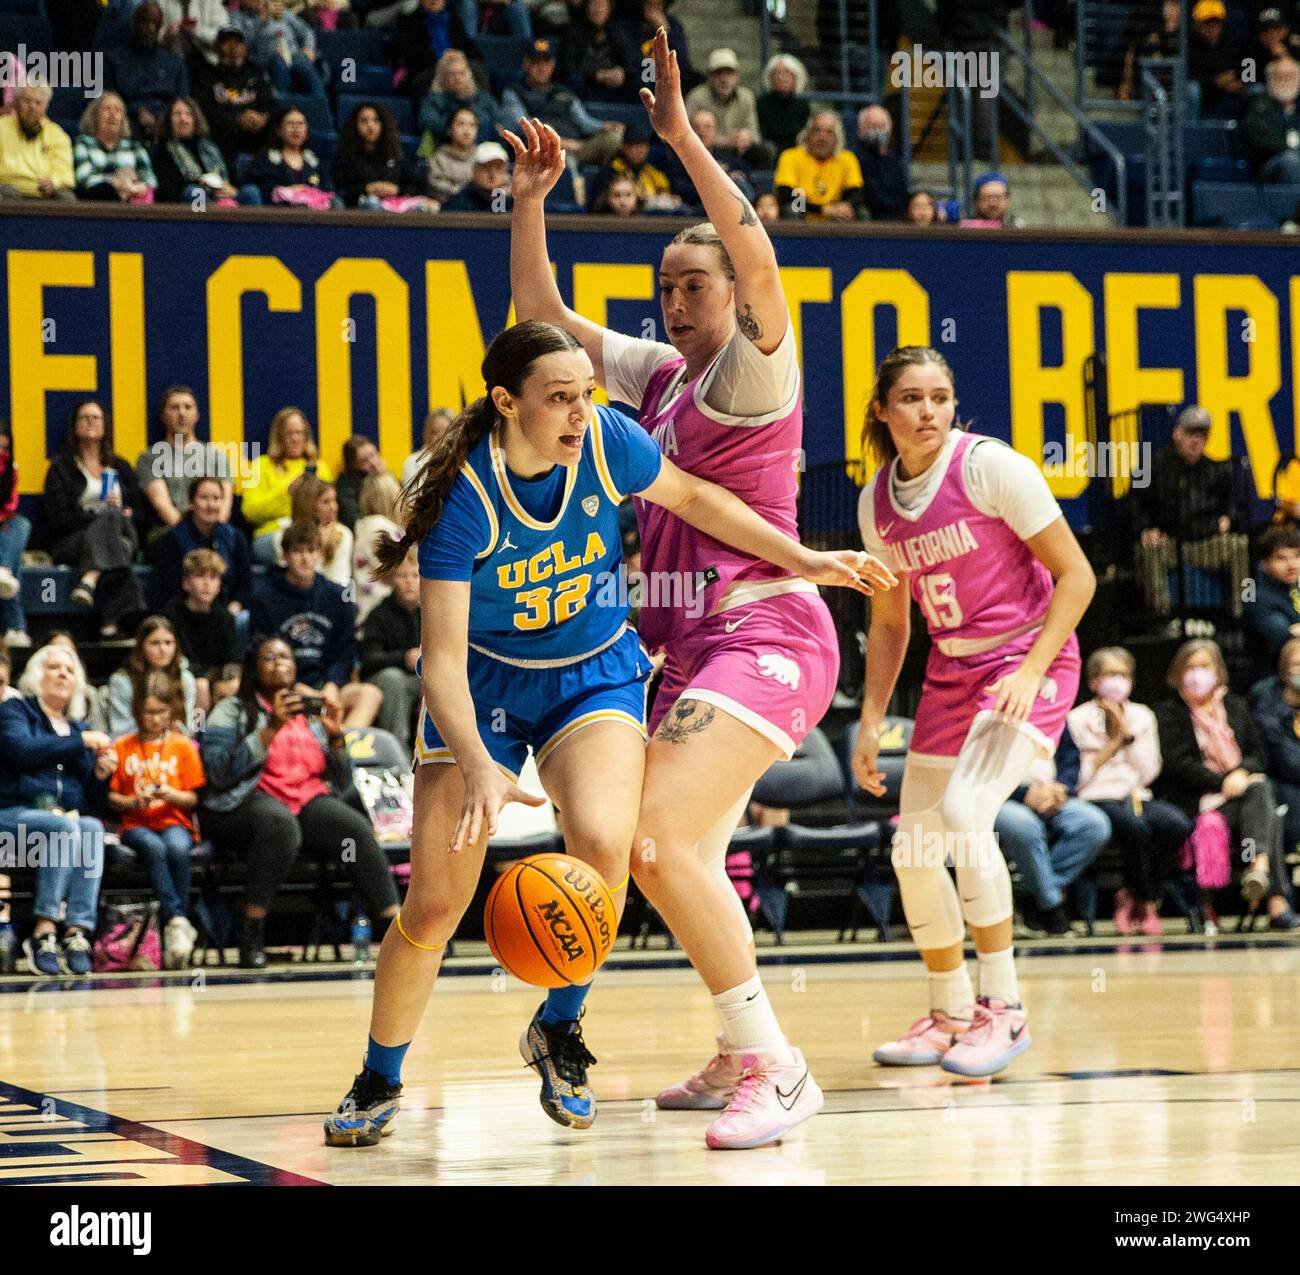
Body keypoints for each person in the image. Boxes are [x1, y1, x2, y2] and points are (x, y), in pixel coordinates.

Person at [321, 317, 876, 1148]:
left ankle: (557, 1028)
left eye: (587, 394)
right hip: (484, 690)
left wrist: (804, 558)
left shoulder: (608, 440)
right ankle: (379, 1072)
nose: (582, 412)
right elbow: (437, 664)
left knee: (611, 848)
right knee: (435, 901)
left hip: (593, 674)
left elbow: (696, 497)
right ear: (507, 403)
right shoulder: (462, 497)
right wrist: (477, 763)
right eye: (560, 399)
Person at [505, 33, 894, 1147]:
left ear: (732, 293)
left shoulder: (756, 367)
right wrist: (530, 202)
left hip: (766, 627)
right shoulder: (658, 375)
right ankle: (738, 1046)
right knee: (659, 852)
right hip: (688, 647)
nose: (677, 301)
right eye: (666, 287)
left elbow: (758, 255)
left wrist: (677, 134)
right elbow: (548, 328)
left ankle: (776, 1065)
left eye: (696, 283)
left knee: (658, 842)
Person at [853, 345, 1096, 1077]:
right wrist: (870, 718)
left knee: (964, 815)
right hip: (954, 670)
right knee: (914, 849)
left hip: (1032, 657)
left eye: (941, 396)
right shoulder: (875, 504)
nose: (929, 410)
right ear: (882, 410)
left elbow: (1076, 574)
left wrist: (1029, 668)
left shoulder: (992, 467)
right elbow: (893, 624)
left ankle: (1005, 1008)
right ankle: (950, 1010)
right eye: (912, 398)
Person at [201, 636, 401, 967]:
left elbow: (340, 782)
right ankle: (251, 930)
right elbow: (219, 772)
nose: (280, 663)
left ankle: (398, 931)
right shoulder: (231, 709)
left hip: (306, 797)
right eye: (270, 658)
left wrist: (337, 738)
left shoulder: (309, 712)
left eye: (286, 657)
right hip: (248, 800)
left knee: (354, 829)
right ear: (253, 668)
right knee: (279, 826)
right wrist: (271, 728)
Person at [1155, 639, 1299, 931]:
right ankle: (1274, 898)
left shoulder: (1236, 706)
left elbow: (1259, 753)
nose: (1197, 674)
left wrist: (1243, 771)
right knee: (1263, 803)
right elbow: (1176, 763)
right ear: (1177, 672)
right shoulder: (1169, 712)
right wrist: (1224, 781)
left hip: (1240, 799)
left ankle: (1260, 871)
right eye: (1190, 667)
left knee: (1260, 789)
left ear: (1218, 671)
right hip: (1198, 800)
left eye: (1204, 666)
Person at [0, 643, 116, 976]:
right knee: (64, 828)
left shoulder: (79, 728)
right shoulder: (16, 710)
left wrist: (100, 775)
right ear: (37, 677)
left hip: (59, 824)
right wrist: (82, 744)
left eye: (69, 670)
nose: (63, 674)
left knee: (92, 827)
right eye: (54, 667)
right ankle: (44, 930)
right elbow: (21, 751)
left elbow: (90, 798)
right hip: (12, 817)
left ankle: (77, 931)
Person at [1062, 646, 1191, 935]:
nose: (1117, 681)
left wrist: (1127, 735)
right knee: (1134, 828)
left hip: (1136, 795)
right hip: (1096, 797)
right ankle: (1147, 902)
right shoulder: (1077, 719)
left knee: (1175, 824)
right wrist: (1112, 742)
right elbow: (1078, 778)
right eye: (1110, 674)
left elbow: (1149, 772)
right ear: (1094, 681)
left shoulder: (1143, 716)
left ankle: (1133, 895)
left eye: (1123, 674)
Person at [107, 670, 205, 968]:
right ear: (137, 711)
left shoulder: (182, 746)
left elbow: (193, 798)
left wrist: (171, 795)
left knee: (177, 848)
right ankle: (177, 918)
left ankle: (176, 923)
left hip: (175, 820)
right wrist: (133, 801)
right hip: (136, 824)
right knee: (153, 848)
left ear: (171, 711)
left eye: (161, 712)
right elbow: (109, 798)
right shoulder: (121, 746)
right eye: (148, 712)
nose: (154, 718)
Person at [250, 520, 381, 727]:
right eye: (298, 551)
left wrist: (331, 685)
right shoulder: (264, 598)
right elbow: (261, 654)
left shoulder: (338, 597)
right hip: (283, 686)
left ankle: (342, 746)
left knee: (370, 694)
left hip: (327, 685)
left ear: (320, 554)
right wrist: (296, 686)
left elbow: (344, 653)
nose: (305, 558)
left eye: (312, 551)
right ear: (284, 556)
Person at [43, 400, 149, 639]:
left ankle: (90, 577)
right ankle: (111, 625)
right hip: (74, 542)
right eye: (85, 418)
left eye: (96, 418)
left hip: (123, 530)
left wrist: (125, 512)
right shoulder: (62, 467)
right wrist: (96, 516)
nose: (91, 422)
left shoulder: (120, 466)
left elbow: (142, 514)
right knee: (118, 545)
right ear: (75, 426)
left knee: (115, 517)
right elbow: (57, 518)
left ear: (105, 426)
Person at [1132, 405, 1249, 619]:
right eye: (1190, 434)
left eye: (1201, 435)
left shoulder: (1218, 470)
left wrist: (1224, 521)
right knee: (1149, 548)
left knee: (1238, 545)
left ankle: (1241, 613)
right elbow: (1136, 504)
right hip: (1169, 543)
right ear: (1177, 433)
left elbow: (1231, 513)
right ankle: (1163, 618)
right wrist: (1146, 529)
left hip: (1203, 545)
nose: (1195, 440)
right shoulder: (1152, 466)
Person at [994, 755, 1109, 937]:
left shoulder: (1058, 725)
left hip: (1053, 795)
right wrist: (1023, 794)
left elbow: (1070, 759)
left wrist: (1061, 788)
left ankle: (1029, 894)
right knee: (1024, 827)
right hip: (999, 798)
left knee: (1093, 825)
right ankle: (1052, 907)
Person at [135, 385, 233, 553]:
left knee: (234, 540)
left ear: (196, 415)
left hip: (213, 531)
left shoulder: (217, 457)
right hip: (169, 531)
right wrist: (193, 539)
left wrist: (210, 535)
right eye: (174, 407)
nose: (181, 413)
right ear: (163, 415)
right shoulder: (149, 458)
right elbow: (164, 508)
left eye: (188, 407)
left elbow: (224, 508)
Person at [499, 37, 624, 169]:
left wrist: (604, 126)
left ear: (553, 64)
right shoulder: (514, 92)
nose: (542, 67)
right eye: (536, 62)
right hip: (541, 151)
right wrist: (559, 142)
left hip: (577, 147)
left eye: (546, 62)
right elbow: (523, 126)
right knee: (563, 160)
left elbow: (584, 122)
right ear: (526, 63)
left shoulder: (564, 92)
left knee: (615, 137)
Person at [239, 407, 336, 565]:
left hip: (314, 531)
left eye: (300, 433)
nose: (295, 439)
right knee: (295, 543)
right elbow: (249, 511)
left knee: (341, 537)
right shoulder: (260, 465)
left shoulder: (320, 468)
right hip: (273, 534)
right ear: (279, 437)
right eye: (289, 434)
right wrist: (286, 494)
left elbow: (331, 509)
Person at [151, 475, 252, 612]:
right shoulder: (173, 539)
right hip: (185, 613)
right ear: (191, 502)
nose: (210, 505)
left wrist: (233, 608)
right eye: (204, 498)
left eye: (216, 498)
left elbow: (244, 585)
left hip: (226, 611)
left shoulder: (235, 537)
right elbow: (167, 588)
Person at [163, 549, 242, 714]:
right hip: (182, 676)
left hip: (215, 676)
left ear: (219, 585)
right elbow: (175, 658)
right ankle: (198, 732)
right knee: (201, 686)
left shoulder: (224, 616)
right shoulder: (172, 614)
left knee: (234, 682)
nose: (207, 583)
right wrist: (203, 679)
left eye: (213, 577)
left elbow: (231, 657)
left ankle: (225, 730)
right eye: (199, 576)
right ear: (186, 583)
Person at [359, 548, 422, 752]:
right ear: (393, 579)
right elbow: (369, 659)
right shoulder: (379, 615)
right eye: (403, 575)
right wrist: (404, 658)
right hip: (388, 679)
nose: (409, 582)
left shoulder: (433, 612)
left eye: (415, 575)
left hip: (423, 679)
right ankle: (399, 753)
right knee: (393, 680)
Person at [1250, 636, 1300, 888]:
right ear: (1284, 669)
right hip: (1280, 780)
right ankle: (1283, 900)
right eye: (1297, 665)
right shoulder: (1267, 701)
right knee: (1284, 811)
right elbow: (1283, 757)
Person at [104, 0, 190, 142]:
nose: (149, 29)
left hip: (167, 124)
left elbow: (182, 100)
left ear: (159, 27)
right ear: (134, 23)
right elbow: (106, 98)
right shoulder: (114, 59)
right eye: (144, 22)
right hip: (127, 121)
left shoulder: (175, 63)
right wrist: (136, 111)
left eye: (154, 24)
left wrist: (164, 119)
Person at [152, 96, 261, 206]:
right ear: (169, 120)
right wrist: (201, 184)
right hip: (193, 203)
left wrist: (232, 190)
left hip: (225, 195)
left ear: (195, 119)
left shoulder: (210, 146)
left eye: (188, 114)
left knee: (251, 192)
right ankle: (214, 218)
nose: (183, 119)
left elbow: (232, 175)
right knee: (193, 192)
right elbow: (168, 189)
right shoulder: (163, 150)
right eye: (177, 114)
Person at [190, 27, 274, 167]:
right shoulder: (205, 77)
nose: (233, 48)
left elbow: (271, 105)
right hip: (224, 142)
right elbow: (204, 111)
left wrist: (263, 117)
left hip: (257, 139)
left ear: (245, 48)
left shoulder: (255, 74)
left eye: (237, 43)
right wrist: (237, 119)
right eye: (227, 43)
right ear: (216, 48)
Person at [106, 615, 199, 739]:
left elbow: (190, 727)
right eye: (155, 643)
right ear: (141, 647)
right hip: (135, 746)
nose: (163, 649)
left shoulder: (186, 678)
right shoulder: (122, 681)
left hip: (176, 743)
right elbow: (120, 730)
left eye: (168, 643)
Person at [333, 103, 438, 211]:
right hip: (355, 211)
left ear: (383, 124)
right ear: (355, 125)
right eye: (364, 121)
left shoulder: (396, 155)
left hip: (395, 211)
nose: (370, 125)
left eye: (376, 120)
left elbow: (418, 187)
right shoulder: (345, 157)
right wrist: (365, 189)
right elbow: (338, 191)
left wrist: (397, 190)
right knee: (371, 205)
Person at [684, 47, 772, 169]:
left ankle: (760, 187)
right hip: (706, 151)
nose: (724, 79)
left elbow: (755, 134)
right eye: (719, 73)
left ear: (737, 76)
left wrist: (746, 136)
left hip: (738, 150)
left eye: (729, 73)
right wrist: (723, 141)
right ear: (709, 77)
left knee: (765, 151)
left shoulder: (746, 97)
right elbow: (687, 134)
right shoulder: (696, 97)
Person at [774, 110, 864, 220]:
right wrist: (822, 210)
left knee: (860, 212)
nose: (822, 137)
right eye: (817, 131)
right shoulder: (790, 156)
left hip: (836, 217)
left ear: (837, 138)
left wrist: (844, 206)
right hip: (804, 214)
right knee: (791, 209)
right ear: (807, 135)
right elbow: (786, 194)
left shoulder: (847, 158)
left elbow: (856, 192)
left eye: (829, 132)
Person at [234, 0, 329, 100]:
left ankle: (321, 107)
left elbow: (306, 31)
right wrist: (262, 19)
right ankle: (286, 109)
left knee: (303, 64)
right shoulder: (238, 17)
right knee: (278, 64)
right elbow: (243, 44)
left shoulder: (282, 12)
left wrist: (309, 47)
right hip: (266, 59)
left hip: (293, 55)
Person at [74, 92, 158, 203]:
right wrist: (116, 181)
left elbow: (151, 180)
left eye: (118, 110)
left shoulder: (135, 147)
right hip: (96, 204)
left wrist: (137, 186)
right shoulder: (83, 143)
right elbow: (83, 178)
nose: (112, 114)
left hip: (133, 202)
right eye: (107, 109)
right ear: (95, 116)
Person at [248, 106, 338, 207]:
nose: (296, 129)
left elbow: (327, 188)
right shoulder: (265, 158)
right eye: (290, 124)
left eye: (301, 124)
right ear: (279, 130)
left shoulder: (315, 160)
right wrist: (289, 191)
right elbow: (261, 188)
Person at [271, 476, 353, 586]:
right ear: (308, 506)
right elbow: (287, 579)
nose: (334, 508)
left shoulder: (342, 534)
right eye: (326, 502)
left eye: (334, 500)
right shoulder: (282, 536)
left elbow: (339, 583)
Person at [391, 0, 479, 102]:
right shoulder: (409, 21)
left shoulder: (454, 21)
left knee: (476, 69)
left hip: (455, 65)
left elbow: (473, 51)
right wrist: (442, 60)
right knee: (437, 75)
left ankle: (481, 108)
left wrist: (460, 55)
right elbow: (408, 54)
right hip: (425, 69)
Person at [0, 84, 75, 202]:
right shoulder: (1, 126)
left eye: (38, 103)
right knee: (7, 193)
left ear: (46, 106)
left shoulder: (57, 134)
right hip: (7, 187)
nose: (32, 107)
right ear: (16, 103)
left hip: (45, 192)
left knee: (67, 197)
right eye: (27, 101)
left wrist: (53, 182)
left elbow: (65, 173)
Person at [585, 119, 679, 211]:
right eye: (636, 145)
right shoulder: (609, 173)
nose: (641, 150)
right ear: (625, 147)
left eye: (645, 145)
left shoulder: (653, 172)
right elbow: (595, 207)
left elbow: (666, 194)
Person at [1243, 525, 1300, 677]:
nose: (1292, 564)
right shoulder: (1255, 597)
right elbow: (1286, 639)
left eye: (1296, 556)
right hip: (1274, 682)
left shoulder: (1296, 589)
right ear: (1265, 564)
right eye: (1281, 558)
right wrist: (1292, 633)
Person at [416, 49, 500, 150]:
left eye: (461, 73)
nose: (457, 78)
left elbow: (499, 122)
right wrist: (457, 127)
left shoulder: (484, 99)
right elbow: (428, 123)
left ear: (469, 75)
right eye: (452, 74)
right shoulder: (434, 100)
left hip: (483, 151)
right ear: (444, 77)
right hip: (445, 149)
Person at [561, 0, 640, 103]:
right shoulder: (573, 31)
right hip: (587, 80)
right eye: (594, 5)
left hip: (614, 81)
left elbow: (631, 62)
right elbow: (569, 65)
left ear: (609, 8)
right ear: (586, 8)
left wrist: (621, 72)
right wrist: (596, 75)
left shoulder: (618, 30)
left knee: (638, 82)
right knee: (575, 80)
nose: (598, 9)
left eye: (602, 5)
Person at [351, 471, 403, 622]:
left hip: (368, 605)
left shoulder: (364, 525)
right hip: (382, 611)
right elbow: (396, 568)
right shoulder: (381, 528)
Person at [1241, 56, 1300, 183]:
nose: (1285, 81)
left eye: (1290, 76)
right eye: (1280, 77)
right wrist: (1290, 147)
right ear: (1270, 80)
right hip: (1269, 164)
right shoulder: (1259, 104)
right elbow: (1261, 140)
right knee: (1290, 161)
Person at [1188, 0, 1248, 117]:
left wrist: (1243, 81)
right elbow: (1191, 77)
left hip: (1231, 94)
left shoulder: (1230, 42)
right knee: (1192, 90)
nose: (1212, 27)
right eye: (1207, 23)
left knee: (1254, 91)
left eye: (1216, 23)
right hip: (1206, 96)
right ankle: (1191, 133)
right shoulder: (1190, 46)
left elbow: (1248, 61)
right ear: (1196, 25)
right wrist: (1215, 82)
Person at [0, 427, 31, 648]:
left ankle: (3, 569)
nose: (1, 453)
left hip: (3, 526)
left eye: (4, 448)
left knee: (21, 525)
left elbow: (10, 506)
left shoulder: (10, 470)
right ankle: (16, 628)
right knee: (13, 564)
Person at [854, 104, 907, 221]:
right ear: (860, 130)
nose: (877, 131)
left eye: (882, 126)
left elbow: (903, 193)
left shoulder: (894, 159)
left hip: (898, 220)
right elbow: (870, 197)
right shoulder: (854, 158)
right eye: (872, 126)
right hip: (870, 223)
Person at [755, 53, 810, 157]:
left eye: (787, 73)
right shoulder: (761, 103)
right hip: (770, 151)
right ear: (769, 77)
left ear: (796, 78)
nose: (781, 77)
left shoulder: (803, 105)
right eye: (777, 73)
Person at [423, 106, 478, 203]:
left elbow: (502, 186)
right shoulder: (438, 159)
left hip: (481, 211)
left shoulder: (483, 157)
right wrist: (464, 193)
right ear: (449, 129)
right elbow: (435, 185)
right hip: (448, 211)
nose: (467, 131)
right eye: (461, 124)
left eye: (472, 125)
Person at [336, 434, 390, 530]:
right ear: (353, 466)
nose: (373, 463)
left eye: (373, 455)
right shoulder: (347, 485)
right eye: (364, 461)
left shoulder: (388, 477)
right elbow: (354, 520)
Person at [442, 139, 512, 210]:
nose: (492, 174)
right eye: (486, 168)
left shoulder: (510, 203)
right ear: (474, 170)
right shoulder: (459, 203)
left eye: (498, 168)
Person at [402, 408, 455, 485]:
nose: (439, 437)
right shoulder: (412, 463)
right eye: (434, 432)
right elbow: (414, 495)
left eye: (445, 432)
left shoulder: (462, 463)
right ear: (426, 435)